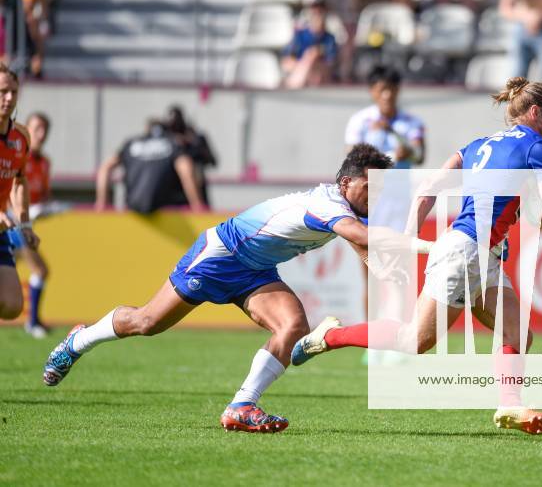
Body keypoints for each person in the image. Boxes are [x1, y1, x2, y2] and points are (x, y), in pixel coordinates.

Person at [42, 144, 430, 433]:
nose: (374, 196)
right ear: (346, 182)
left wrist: (374, 260)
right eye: (369, 187)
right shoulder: (329, 205)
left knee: (293, 325)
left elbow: (357, 239)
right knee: (146, 322)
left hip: (255, 269)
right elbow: (356, 233)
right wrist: (419, 244)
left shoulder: (340, 207)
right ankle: (79, 340)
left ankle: (242, 406)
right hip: (221, 255)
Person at [292, 77, 542, 435]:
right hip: (466, 253)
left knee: (517, 332)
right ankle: (331, 336)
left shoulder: (476, 145)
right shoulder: (538, 149)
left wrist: (408, 238)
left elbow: (426, 190)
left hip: (479, 253)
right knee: (415, 340)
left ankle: (510, 406)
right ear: (536, 113)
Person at [345, 65, 425, 363]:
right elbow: (352, 159)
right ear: (373, 92)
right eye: (382, 90)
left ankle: (398, 342)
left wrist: (393, 135)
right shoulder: (360, 121)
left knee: (399, 275)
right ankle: (372, 343)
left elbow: (419, 154)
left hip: (399, 208)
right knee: (369, 275)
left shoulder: (410, 123)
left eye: (392, 89)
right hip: (369, 209)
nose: (388, 95)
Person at [95, 119, 206, 214]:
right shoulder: (173, 143)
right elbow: (186, 170)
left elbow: (104, 168)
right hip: (165, 214)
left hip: (133, 211)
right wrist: (197, 205)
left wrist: (101, 203)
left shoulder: (131, 143)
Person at [0, 63, 41, 322]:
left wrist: (24, 223)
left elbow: (19, 180)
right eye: (3, 91)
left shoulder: (21, 137)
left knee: (13, 304)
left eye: (13, 92)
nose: (9, 98)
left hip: (2, 226)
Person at [13, 112, 51, 337]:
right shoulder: (17, 156)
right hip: (13, 222)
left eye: (45, 130)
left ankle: (34, 321)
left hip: (26, 224)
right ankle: (33, 322)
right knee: (40, 269)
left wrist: (44, 209)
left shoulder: (44, 163)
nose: (41, 134)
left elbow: (43, 195)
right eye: (37, 128)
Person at [498, 0, 542, 84]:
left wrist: (540, 16)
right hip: (521, 29)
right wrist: (526, 16)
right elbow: (505, 9)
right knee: (517, 72)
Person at [165, 105, 217, 207]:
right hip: (172, 196)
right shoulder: (166, 142)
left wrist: (193, 143)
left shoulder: (196, 138)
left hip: (197, 192)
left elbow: (213, 161)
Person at [282, 0, 338, 89]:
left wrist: (313, 59)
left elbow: (330, 67)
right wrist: (307, 61)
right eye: (314, 9)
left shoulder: (330, 39)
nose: (317, 13)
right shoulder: (299, 36)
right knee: (310, 57)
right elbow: (286, 63)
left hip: (319, 78)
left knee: (316, 72)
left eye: (321, 9)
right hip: (302, 76)